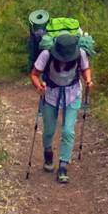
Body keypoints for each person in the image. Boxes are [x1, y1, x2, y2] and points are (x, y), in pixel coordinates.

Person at [30, 32, 92, 182]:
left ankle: (63, 165)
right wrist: (39, 86)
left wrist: (88, 80)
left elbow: (85, 69)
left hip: (73, 93)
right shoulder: (46, 54)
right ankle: (48, 153)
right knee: (49, 130)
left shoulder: (80, 53)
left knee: (68, 131)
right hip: (50, 94)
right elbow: (34, 74)